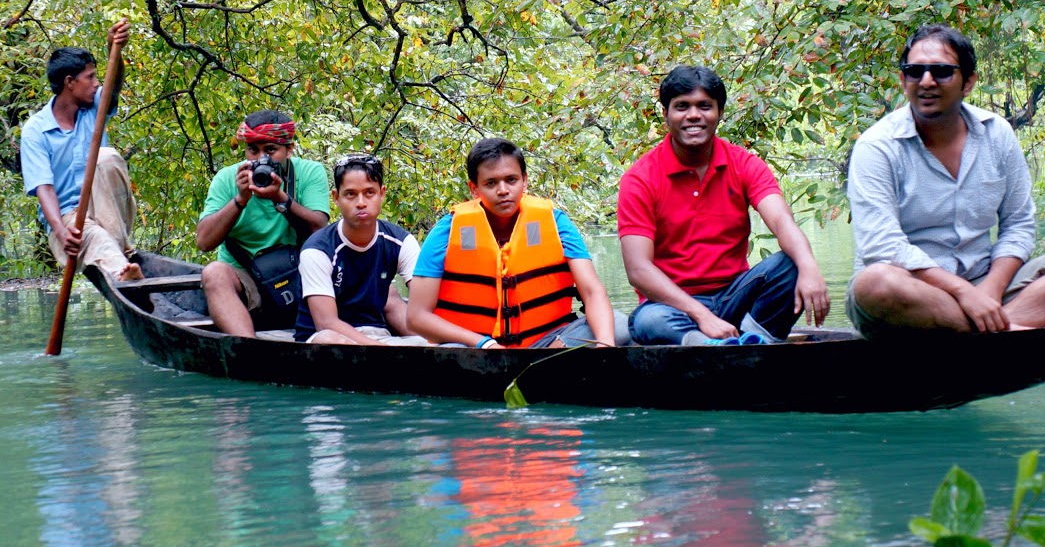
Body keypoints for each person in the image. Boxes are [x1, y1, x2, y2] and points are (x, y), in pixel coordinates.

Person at [844, 23, 1045, 339]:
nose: (926, 81)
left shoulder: (997, 134)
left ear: (969, 82)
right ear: (902, 79)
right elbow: (882, 246)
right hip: (913, 294)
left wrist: (989, 289)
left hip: (987, 286)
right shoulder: (877, 146)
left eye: (941, 72)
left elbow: (1018, 224)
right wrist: (964, 294)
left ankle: (997, 330)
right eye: (914, 71)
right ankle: (1012, 334)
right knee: (875, 283)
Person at [619, 65, 830, 346]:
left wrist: (809, 267)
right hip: (675, 307)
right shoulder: (640, 179)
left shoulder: (744, 164)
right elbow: (638, 270)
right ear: (666, 114)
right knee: (647, 321)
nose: (693, 115)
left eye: (704, 106)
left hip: (734, 296)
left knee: (791, 265)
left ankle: (755, 343)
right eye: (682, 106)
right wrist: (702, 316)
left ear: (719, 113)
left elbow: (781, 222)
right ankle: (712, 345)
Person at [407, 138, 622, 349]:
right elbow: (417, 317)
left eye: (511, 180)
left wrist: (604, 346)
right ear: (474, 188)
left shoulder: (556, 223)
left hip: (546, 345)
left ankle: (542, 365)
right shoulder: (448, 230)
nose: (503, 190)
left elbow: (593, 292)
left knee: (616, 325)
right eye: (491, 183)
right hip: (471, 350)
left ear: (524, 181)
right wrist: (483, 343)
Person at [20, 20, 142, 282]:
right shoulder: (35, 131)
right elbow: (44, 189)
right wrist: (63, 233)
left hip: (107, 209)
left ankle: (122, 260)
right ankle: (124, 271)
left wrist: (115, 51)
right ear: (69, 83)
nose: (97, 83)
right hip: (68, 220)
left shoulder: (93, 110)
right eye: (90, 77)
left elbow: (113, 85)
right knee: (94, 237)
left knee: (106, 157)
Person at [196, 109, 330, 337]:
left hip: (298, 273)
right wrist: (240, 200)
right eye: (253, 150)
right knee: (214, 272)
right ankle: (249, 349)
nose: (260, 160)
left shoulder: (310, 172)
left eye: (270, 150)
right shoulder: (227, 178)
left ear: (289, 149)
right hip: (246, 278)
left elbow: (320, 231)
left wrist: (281, 198)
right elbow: (204, 242)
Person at [295, 153, 426, 345]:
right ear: (336, 198)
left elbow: (424, 303)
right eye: (351, 194)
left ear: (382, 194)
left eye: (369, 193)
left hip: (378, 334)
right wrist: (380, 351)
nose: (361, 202)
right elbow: (326, 323)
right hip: (324, 340)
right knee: (331, 339)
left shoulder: (401, 242)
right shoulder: (318, 250)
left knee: (426, 344)